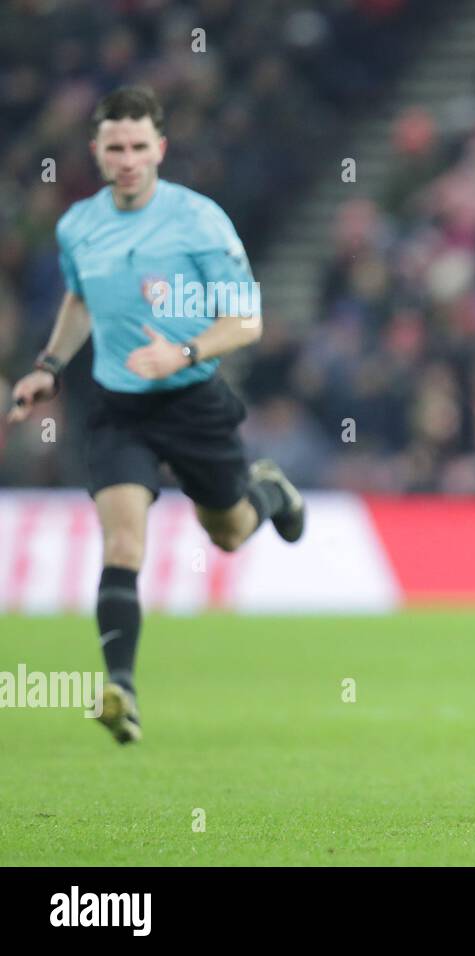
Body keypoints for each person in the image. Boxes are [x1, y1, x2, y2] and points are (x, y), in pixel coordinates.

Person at [5, 86, 306, 745]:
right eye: (116, 147)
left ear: (160, 149)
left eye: (141, 147)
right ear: (97, 151)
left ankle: (269, 490)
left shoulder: (200, 223)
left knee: (227, 531)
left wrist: (184, 352)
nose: (128, 159)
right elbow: (79, 303)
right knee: (122, 544)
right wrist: (48, 369)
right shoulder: (78, 225)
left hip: (193, 401)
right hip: (119, 410)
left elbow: (247, 322)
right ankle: (122, 688)